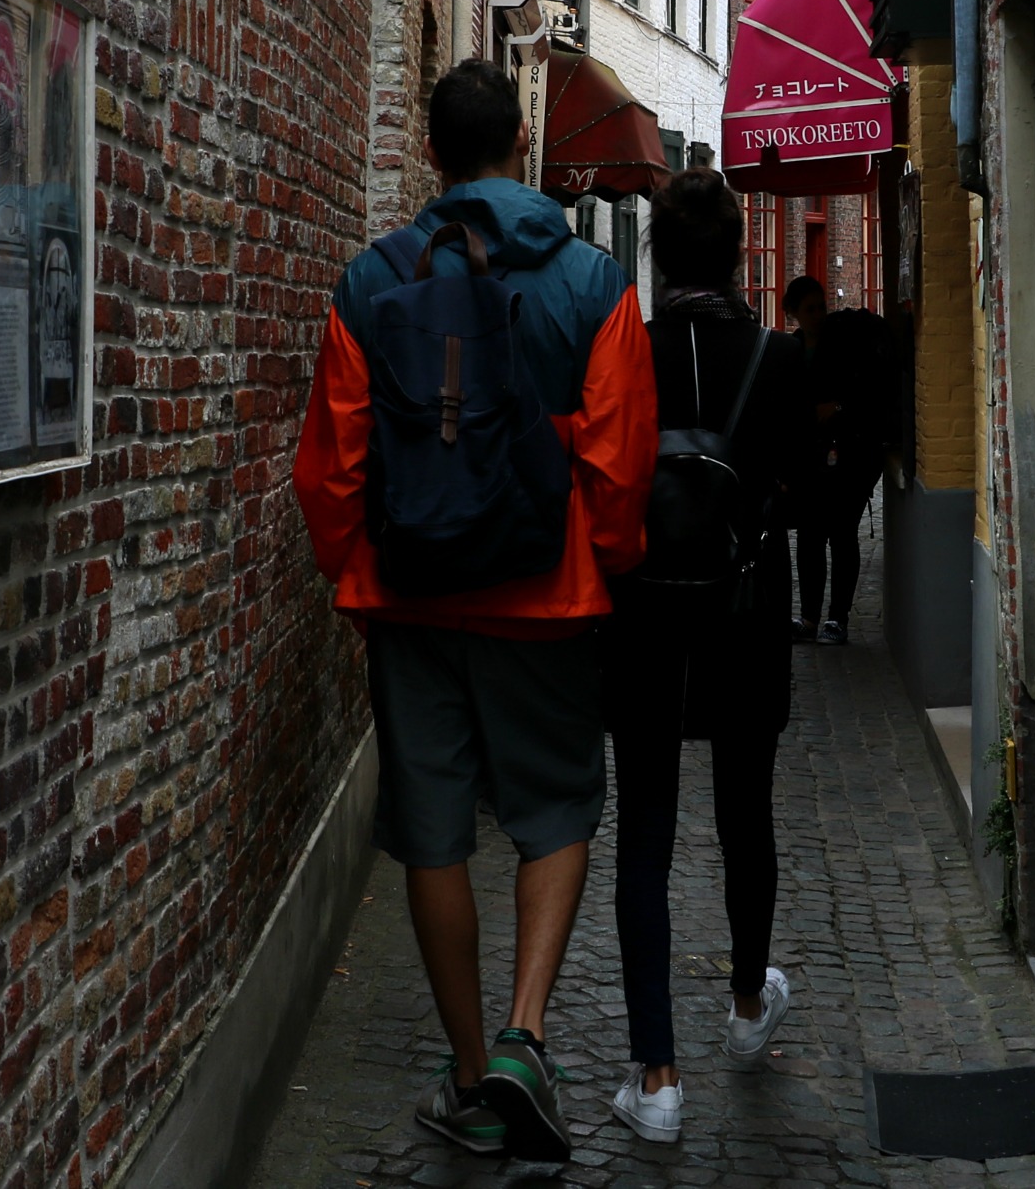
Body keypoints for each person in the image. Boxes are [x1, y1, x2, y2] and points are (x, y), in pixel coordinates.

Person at [291, 60, 656, 1162]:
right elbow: (621, 466)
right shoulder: (595, 282)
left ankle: (465, 1076)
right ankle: (524, 1034)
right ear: (524, 140)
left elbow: (329, 470)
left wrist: (360, 583)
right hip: (549, 601)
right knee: (553, 812)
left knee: (434, 834)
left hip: (410, 596)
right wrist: (602, 571)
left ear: (433, 153)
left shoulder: (370, 283)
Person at [604, 168, 807, 1145]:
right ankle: (743, 1000)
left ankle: (656, 1074)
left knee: (643, 829)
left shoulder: (630, 354)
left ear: (657, 254)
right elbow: (802, 490)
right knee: (745, 814)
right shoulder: (772, 355)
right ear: (735, 253)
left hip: (644, 618)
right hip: (744, 613)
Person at [784, 275, 895, 642]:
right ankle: (810, 617)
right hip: (809, 457)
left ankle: (838, 618)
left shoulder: (844, 344)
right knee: (810, 536)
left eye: (820, 307)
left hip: (848, 453)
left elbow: (867, 391)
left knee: (843, 534)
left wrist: (840, 408)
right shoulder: (793, 351)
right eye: (809, 309)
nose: (818, 315)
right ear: (793, 313)